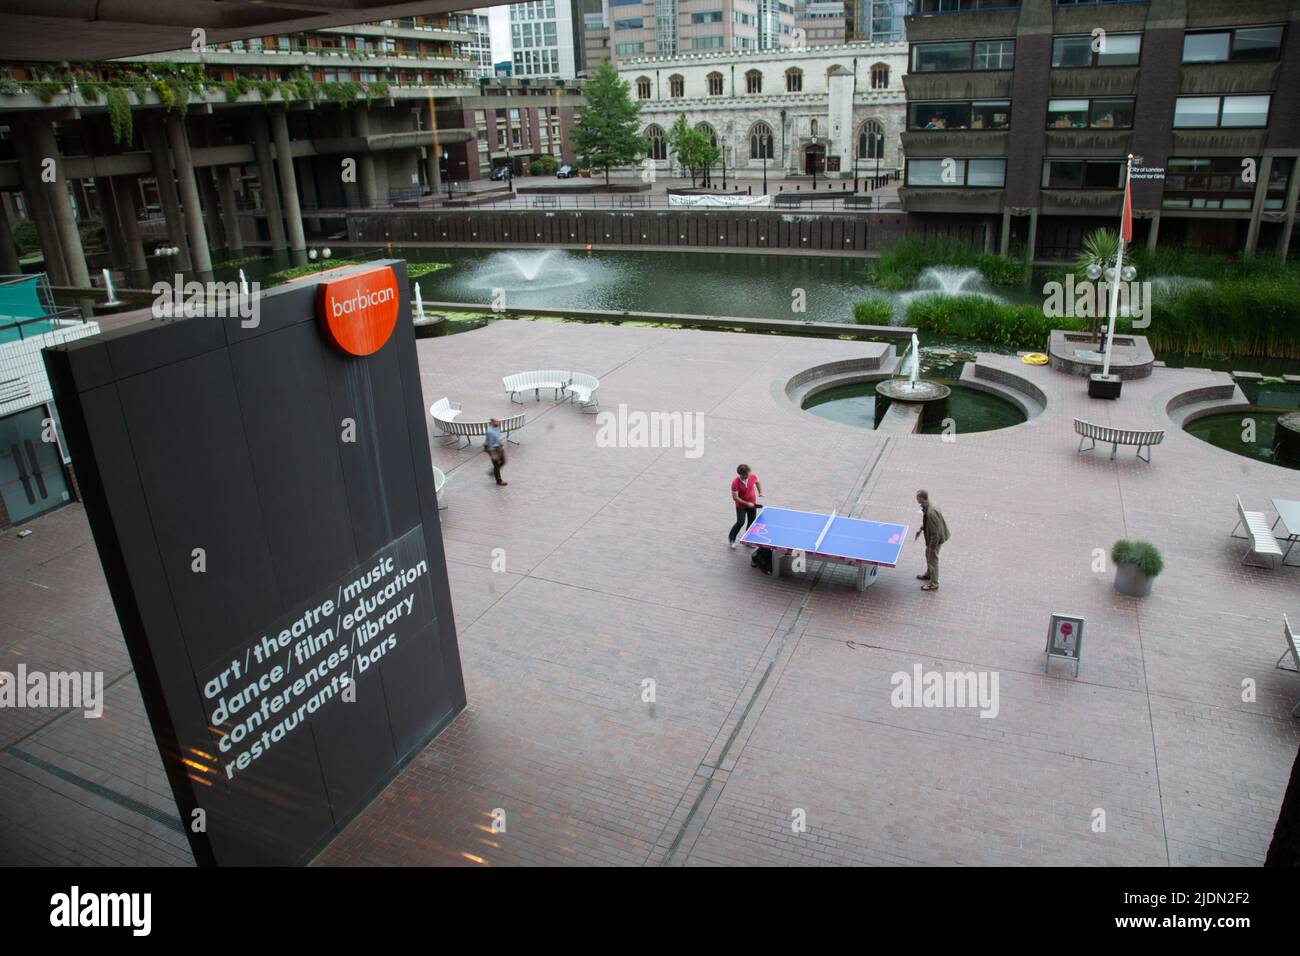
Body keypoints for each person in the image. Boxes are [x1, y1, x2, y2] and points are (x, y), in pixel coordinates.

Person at [913, 490, 949, 591]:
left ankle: (934, 584)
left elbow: (935, 533)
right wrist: (921, 528)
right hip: (933, 537)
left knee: (933, 559)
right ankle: (928, 574)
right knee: (927, 555)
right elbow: (928, 523)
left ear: (922, 498)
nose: (917, 500)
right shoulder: (927, 505)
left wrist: (932, 547)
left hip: (936, 539)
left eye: (918, 498)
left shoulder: (931, 512)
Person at [728, 464, 763, 553]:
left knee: (751, 523)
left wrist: (760, 492)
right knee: (740, 522)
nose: (748, 476)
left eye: (748, 473)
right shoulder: (735, 483)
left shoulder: (752, 476)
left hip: (752, 504)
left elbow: (758, 482)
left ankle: (748, 541)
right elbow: (735, 498)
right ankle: (731, 539)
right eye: (746, 475)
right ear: (741, 474)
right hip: (741, 506)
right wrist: (747, 504)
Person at [485, 417, 507, 487]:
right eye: (496, 422)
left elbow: (498, 438)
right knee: (496, 465)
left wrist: (501, 445)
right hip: (493, 449)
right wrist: (492, 454)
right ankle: (499, 481)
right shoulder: (490, 432)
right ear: (492, 422)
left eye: (498, 421)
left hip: (499, 447)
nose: (498, 423)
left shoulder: (497, 428)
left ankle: (492, 472)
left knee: (503, 461)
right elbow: (490, 444)